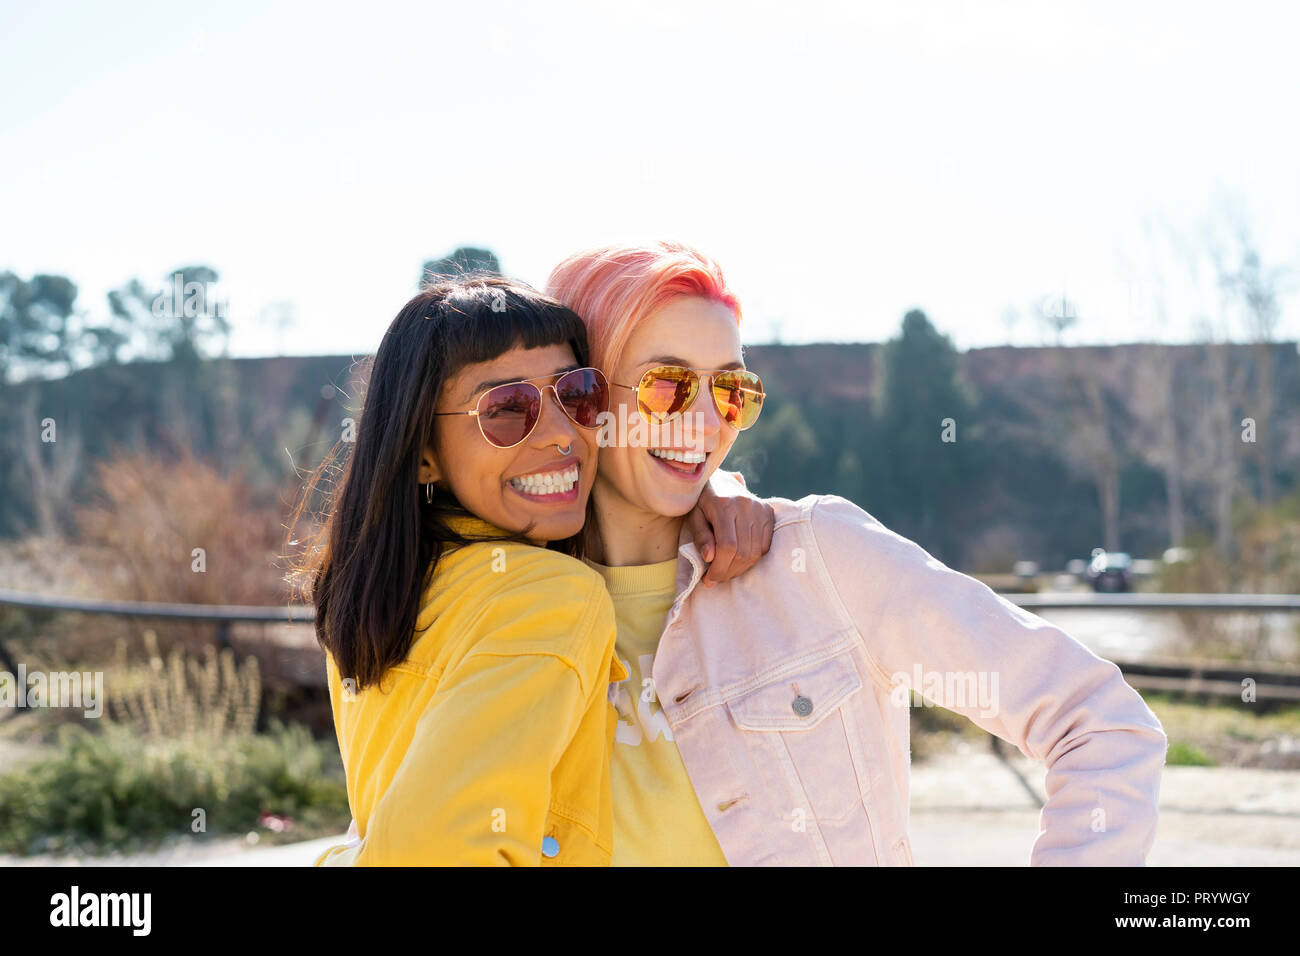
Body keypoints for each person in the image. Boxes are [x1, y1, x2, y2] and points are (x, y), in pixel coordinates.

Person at [546, 241, 1168, 866]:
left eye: (732, 391)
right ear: (584, 397)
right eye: (669, 386)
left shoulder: (818, 560)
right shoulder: (499, 606)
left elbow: (1099, 722)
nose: (709, 422)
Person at [295, 275, 769, 865]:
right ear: (423, 452)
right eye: (507, 410)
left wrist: (709, 487)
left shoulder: (384, 595)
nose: (559, 435)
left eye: (578, 396)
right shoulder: (551, 598)